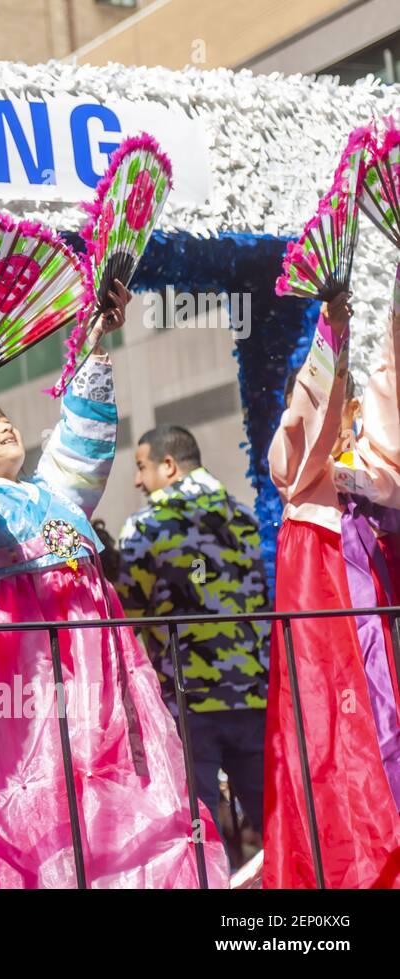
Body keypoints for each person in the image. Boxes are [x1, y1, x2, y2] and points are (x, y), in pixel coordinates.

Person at [0, 280, 228, 888]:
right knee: (32, 788)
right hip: (21, 668)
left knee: (111, 782)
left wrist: (93, 341)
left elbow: (82, 441)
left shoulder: (56, 495)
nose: (3, 426)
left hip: (100, 664)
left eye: (4, 417)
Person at [265, 289, 400, 888]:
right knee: (336, 746)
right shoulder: (300, 475)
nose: (344, 412)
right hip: (332, 643)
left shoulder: (374, 476)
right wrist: (331, 333)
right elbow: (307, 415)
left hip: (382, 631)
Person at [116, 424, 270, 864]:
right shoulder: (244, 517)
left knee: (198, 828)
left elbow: (128, 611)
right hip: (252, 693)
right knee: (273, 821)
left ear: (168, 465)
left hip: (187, 700)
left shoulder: (147, 525)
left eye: (141, 467)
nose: (137, 482)